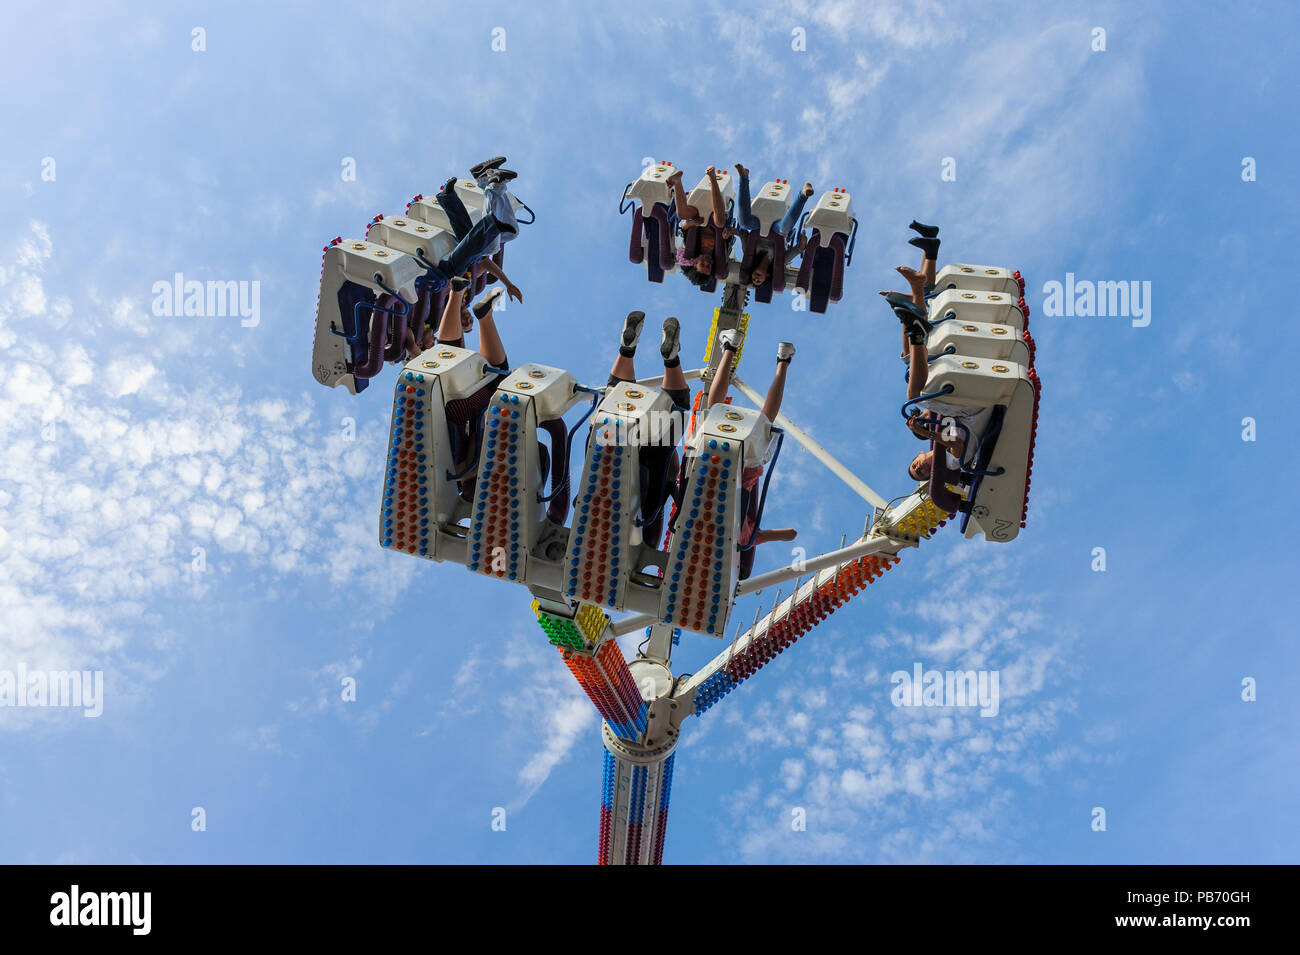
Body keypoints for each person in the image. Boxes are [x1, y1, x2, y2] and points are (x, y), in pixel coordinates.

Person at [691, 328, 798, 578]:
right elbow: (790, 534)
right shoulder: (740, 538)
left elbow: (790, 534)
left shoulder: (744, 537)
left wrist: (756, 538)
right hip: (715, 466)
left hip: (741, 469)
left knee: (753, 418)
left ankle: (783, 362)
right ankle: (730, 348)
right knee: (715, 410)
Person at [605, 311, 691, 544]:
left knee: (679, 408)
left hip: (651, 471)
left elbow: (672, 469)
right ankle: (626, 349)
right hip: (614, 454)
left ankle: (671, 358)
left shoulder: (647, 525)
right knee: (615, 401)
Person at [733, 162, 812, 287]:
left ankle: (743, 177)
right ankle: (803, 194)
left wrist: (730, 231)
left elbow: (742, 234)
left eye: (753, 279)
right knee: (783, 230)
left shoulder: (749, 253)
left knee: (744, 223)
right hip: (777, 227)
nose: (756, 278)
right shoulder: (779, 261)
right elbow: (798, 249)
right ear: (767, 276)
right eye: (759, 281)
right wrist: (803, 243)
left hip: (758, 223)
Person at [667, 166, 735, 286]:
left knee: (682, 214)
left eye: (702, 264)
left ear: (694, 263)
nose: (706, 262)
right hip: (716, 217)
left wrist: (693, 223)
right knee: (719, 222)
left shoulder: (693, 251)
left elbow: (684, 227)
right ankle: (713, 179)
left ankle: (677, 182)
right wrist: (728, 233)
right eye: (708, 266)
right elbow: (728, 235)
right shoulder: (719, 255)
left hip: (699, 215)